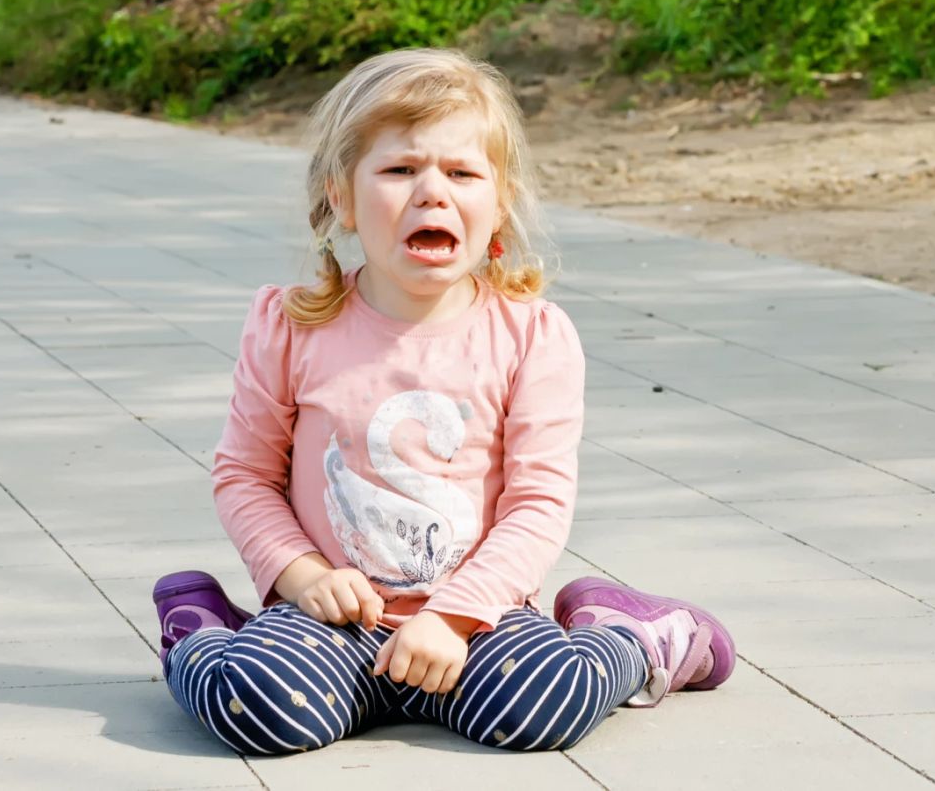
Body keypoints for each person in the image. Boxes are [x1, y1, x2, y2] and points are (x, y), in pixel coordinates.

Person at [152, 48, 735, 755]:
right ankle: (202, 632)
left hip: (476, 619)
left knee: (548, 704)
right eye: (400, 170)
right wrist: (304, 578)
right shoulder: (290, 326)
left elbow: (537, 503)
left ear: (500, 203)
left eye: (461, 173)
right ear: (341, 195)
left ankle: (634, 639)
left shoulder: (532, 336)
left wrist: (455, 615)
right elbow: (245, 475)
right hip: (331, 619)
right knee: (256, 704)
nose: (433, 192)